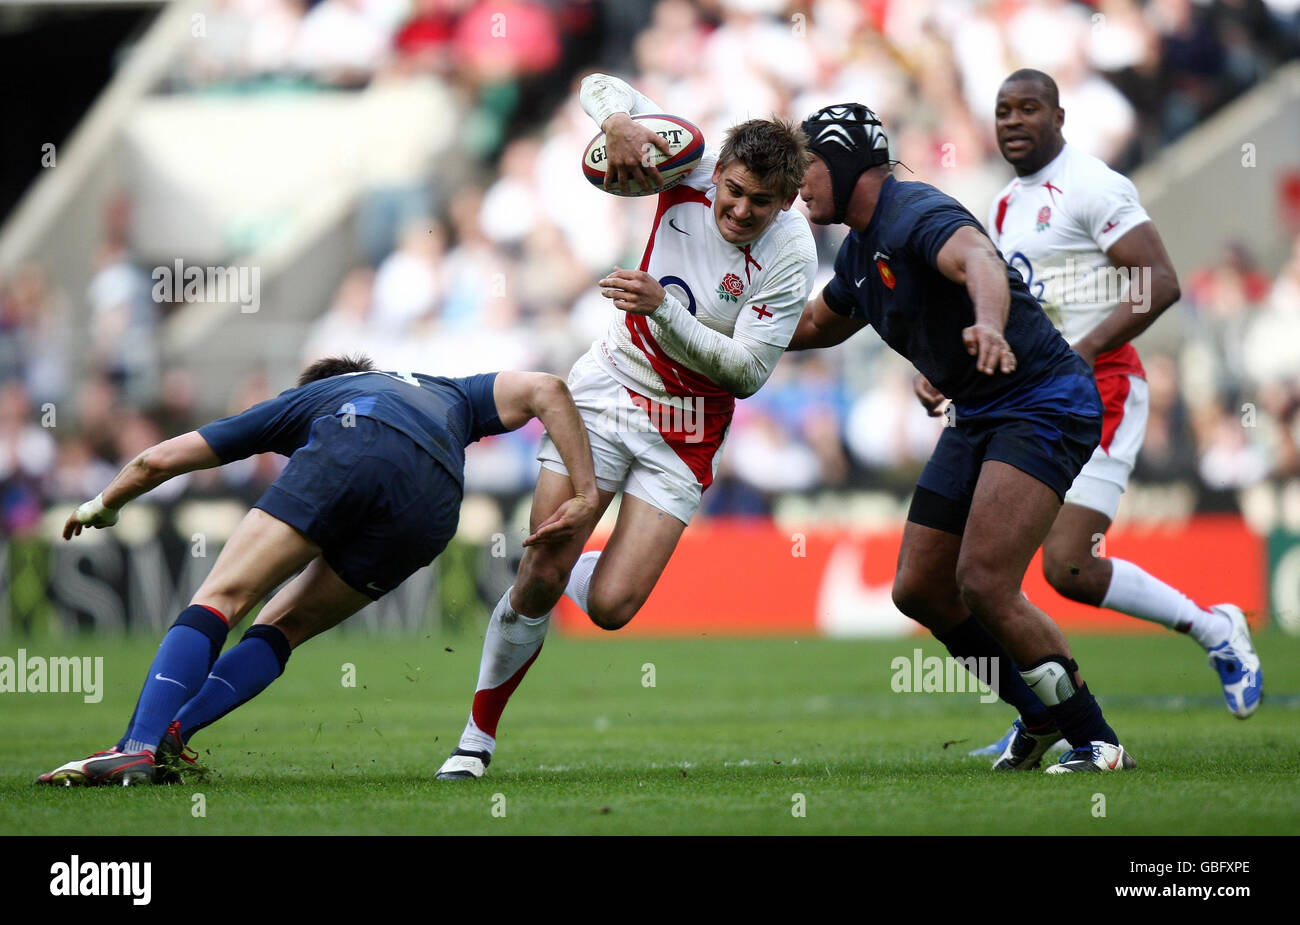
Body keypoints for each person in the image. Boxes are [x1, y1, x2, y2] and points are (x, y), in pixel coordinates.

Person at [434, 72, 818, 780]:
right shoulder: (691, 161)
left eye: (761, 203)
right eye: (733, 191)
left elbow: (748, 373)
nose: (738, 210)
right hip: (611, 388)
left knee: (612, 606)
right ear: (721, 172)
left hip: (690, 425)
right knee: (541, 564)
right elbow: (598, 83)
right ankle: (475, 740)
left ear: (788, 201)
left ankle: (567, 574)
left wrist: (663, 309)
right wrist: (616, 124)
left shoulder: (792, 252)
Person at [37, 355, 598, 785]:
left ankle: (136, 745)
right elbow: (549, 388)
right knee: (282, 629)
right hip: (434, 503)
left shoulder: (310, 401)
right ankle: (173, 733)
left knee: (223, 595)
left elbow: (154, 460)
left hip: (355, 446)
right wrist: (587, 491)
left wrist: (102, 505)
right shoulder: (446, 389)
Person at [788, 103, 1132, 772]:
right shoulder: (860, 250)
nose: (799, 182)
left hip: (1040, 401)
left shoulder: (913, 212)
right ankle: (1037, 714)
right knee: (920, 588)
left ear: (849, 161)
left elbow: (978, 259)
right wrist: (703, 331)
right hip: (979, 408)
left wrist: (989, 326)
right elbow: (809, 327)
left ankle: (1097, 740)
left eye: (808, 166)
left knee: (984, 580)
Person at [954, 70, 1261, 759]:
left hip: (1104, 389)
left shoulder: (1095, 185)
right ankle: (1047, 717)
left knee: (1064, 566)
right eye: (1002, 110)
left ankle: (1216, 630)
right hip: (1034, 398)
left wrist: (1083, 349)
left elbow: (1161, 279)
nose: (1012, 121)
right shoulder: (1002, 205)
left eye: (1028, 108)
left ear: (1060, 116)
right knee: (994, 571)